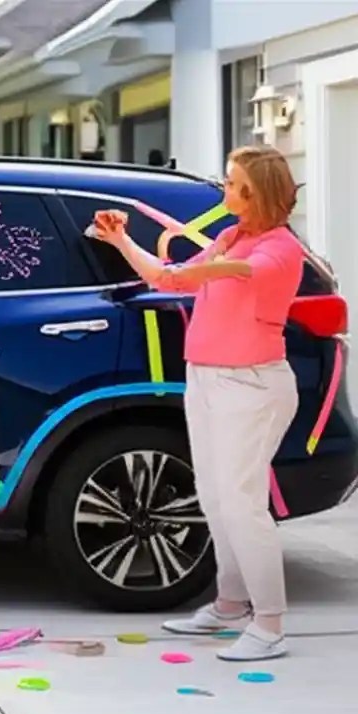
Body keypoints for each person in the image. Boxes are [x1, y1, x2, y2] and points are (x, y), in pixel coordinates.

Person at [91, 145, 305, 662]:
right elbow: (166, 278)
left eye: (233, 185)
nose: (225, 191)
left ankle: (270, 625)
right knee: (213, 496)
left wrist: (198, 267)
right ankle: (230, 604)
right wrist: (121, 239)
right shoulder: (233, 235)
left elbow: (217, 274)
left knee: (242, 503)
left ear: (256, 193)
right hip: (207, 381)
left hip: (251, 387)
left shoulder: (277, 250)